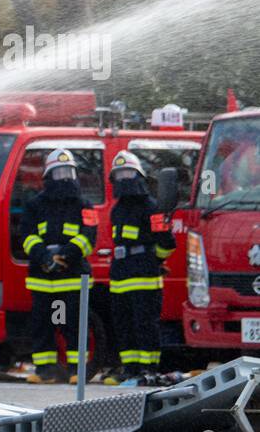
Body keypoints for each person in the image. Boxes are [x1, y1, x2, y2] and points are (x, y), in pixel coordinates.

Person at [20, 147, 97, 384]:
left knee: (72, 325)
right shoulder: (35, 205)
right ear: (48, 176)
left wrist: (67, 255)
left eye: (68, 172)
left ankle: (77, 370)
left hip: (71, 277)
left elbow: (89, 237)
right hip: (43, 279)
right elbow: (26, 236)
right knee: (43, 326)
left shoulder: (85, 205)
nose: (64, 177)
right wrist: (44, 257)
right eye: (59, 172)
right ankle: (45, 371)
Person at [103, 151, 175, 385]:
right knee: (123, 324)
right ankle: (130, 369)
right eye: (120, 174)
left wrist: (156, 261)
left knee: (145, 324)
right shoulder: (116, 210)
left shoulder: (152, 207)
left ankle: (149, 369)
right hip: (120, 276)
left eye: (129, 173)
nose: (124, 178)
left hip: (145, 276)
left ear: (139, 176)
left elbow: (167, 242)